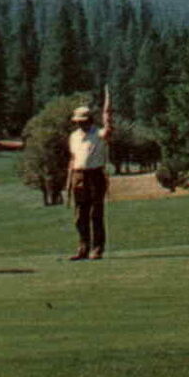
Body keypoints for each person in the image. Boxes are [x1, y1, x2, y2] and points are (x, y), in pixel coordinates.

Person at [67, 89, 114, 260]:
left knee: (96, 213)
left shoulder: (98, 133)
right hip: (78, 176)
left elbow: (108, 132)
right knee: (80, 215)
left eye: (83, 121)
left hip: (95, 175)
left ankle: (97, 248)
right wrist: (70, 178)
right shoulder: (73, 136)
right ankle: (83, 247)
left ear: (89, 120)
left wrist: (108, 117)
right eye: (78, 122)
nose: (80, 124)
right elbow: (73, 158)